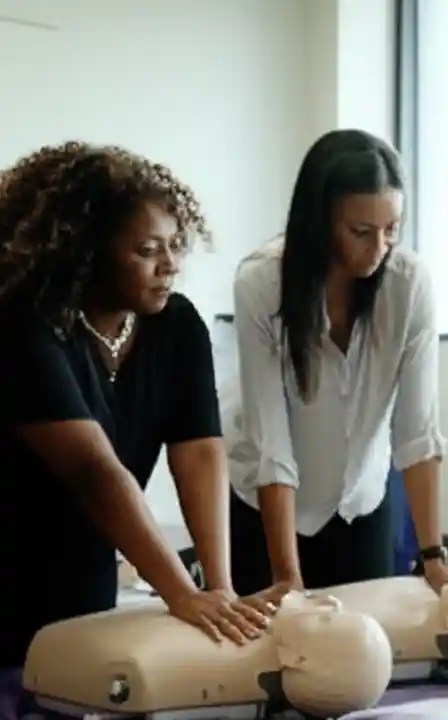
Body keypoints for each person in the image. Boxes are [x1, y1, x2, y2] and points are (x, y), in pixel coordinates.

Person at [0, 142, 270, 714]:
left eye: (176, 245)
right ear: (86, 252)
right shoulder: (25, 323)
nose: (169, 263)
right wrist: (181, 593)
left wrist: (216, 587)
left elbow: (200, 455)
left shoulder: (176, 326)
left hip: (85, 586)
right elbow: (94, 470)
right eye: (147, 250)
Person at [226, 129, 448, 608]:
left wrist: (433, 558)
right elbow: (273, 445)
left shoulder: (409, 285)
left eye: (392, 229)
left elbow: (418, 432)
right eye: (361, 232)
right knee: (269, 662)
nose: (380, 248)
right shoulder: (261, 284)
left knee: (363, 661)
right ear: (321, 220)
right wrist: (288, 577)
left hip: (359, 507)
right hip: (266, 512)